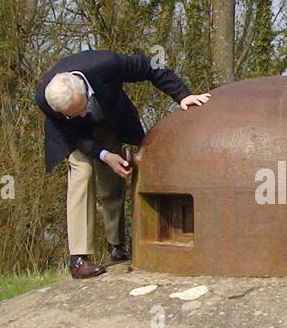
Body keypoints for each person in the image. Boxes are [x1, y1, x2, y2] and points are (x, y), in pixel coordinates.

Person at [36, 49, 210, 278]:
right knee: (83, 174)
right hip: (74, 138)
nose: (80, 115)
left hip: (107, 121)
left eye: (81, 109)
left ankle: (116, 245)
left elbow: (150, 66)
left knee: (112, 181)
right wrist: (103, 155)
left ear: (86, 91)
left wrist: (182, 95)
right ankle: (78, 260)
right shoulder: (46, 99)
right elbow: (74, 135)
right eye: (72, 114)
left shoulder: (106, 65)